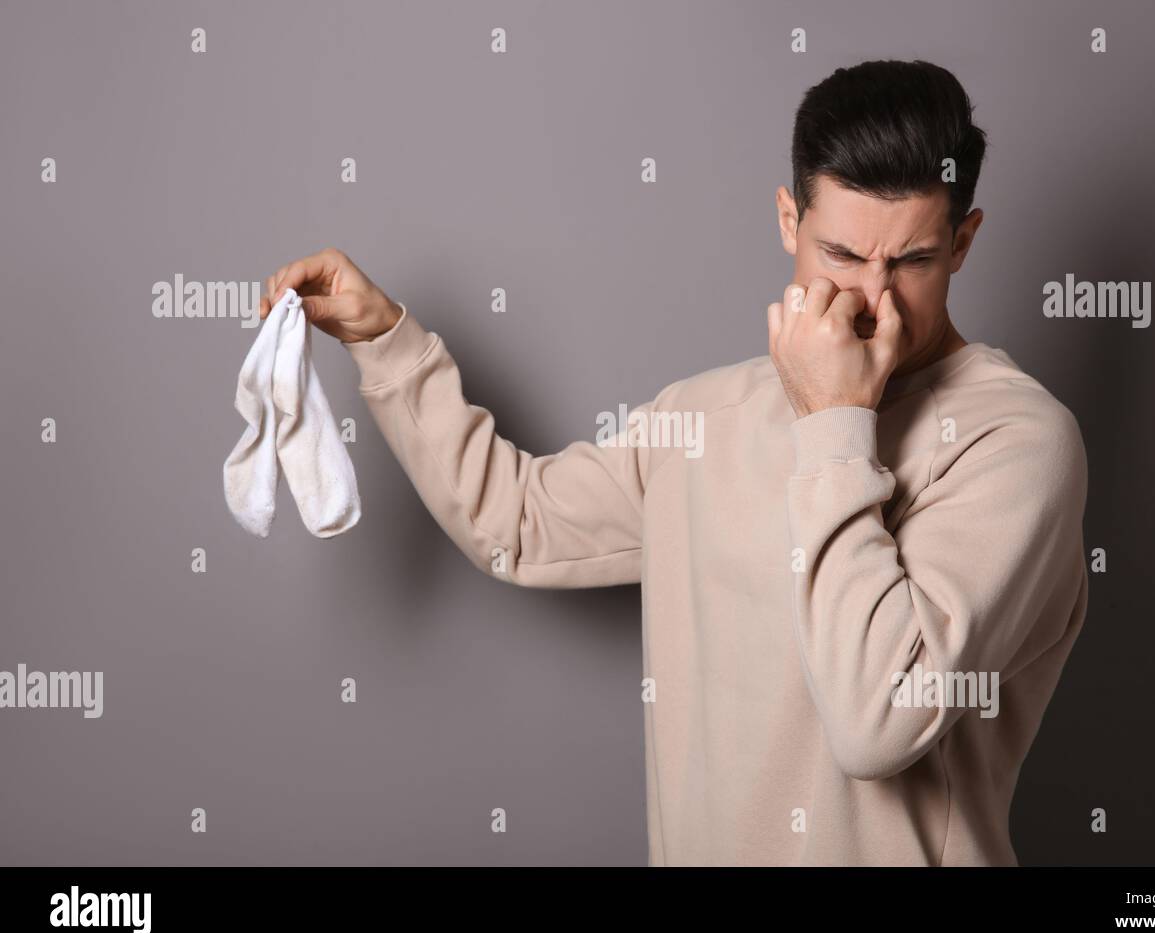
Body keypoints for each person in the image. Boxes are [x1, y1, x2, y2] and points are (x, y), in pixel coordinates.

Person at [257, 59, 1089, 866]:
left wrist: (836, 418)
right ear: (788, 224)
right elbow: (519, 526)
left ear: (964, 242)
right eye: (840, 254)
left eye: (912, 261)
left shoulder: (1016, 442)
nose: (874, 298)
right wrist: (385, 340)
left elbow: (878, 722)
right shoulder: (704, 416)